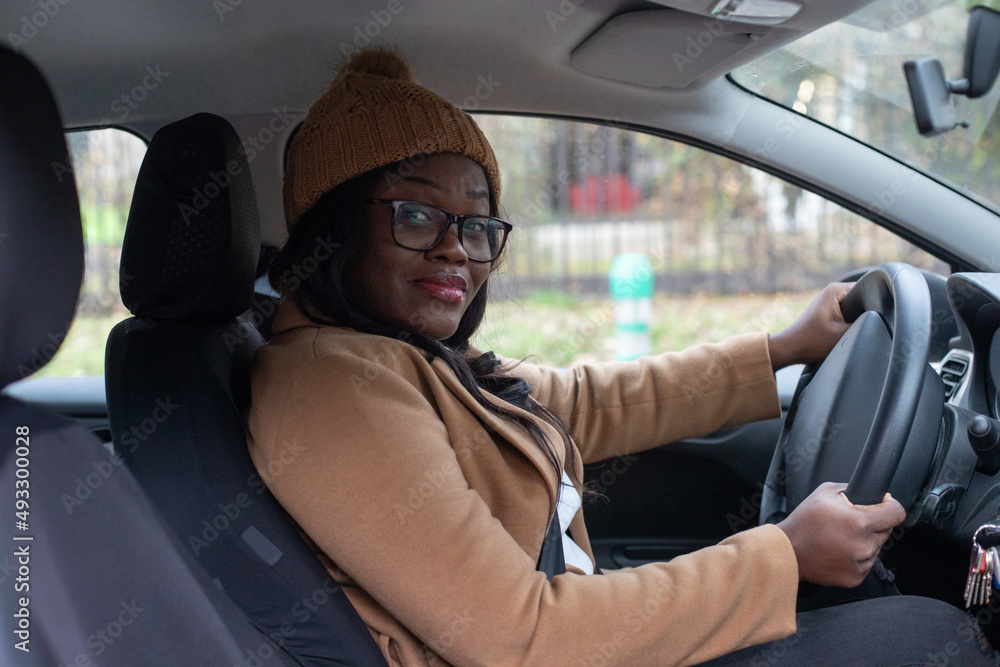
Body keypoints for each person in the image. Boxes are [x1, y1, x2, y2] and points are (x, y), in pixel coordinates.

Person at [246, 48, 999, 666]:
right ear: (334, 229)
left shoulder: (405, 358)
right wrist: (783, 556)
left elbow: (578, 399)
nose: (455, 246)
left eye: (477, 224)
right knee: (927, 639)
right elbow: (523, 637)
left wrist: (781, 350)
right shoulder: (332, 386)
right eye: (414, 213)